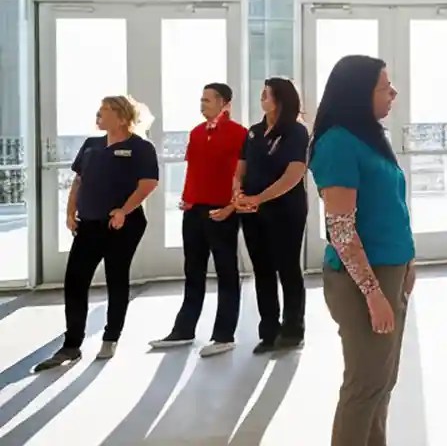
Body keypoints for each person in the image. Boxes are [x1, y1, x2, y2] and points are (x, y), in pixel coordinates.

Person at [309, 55, 416, 446]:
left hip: (389, 269)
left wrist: (409, 260)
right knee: (364, 385)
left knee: (381, 383)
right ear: (359, 93)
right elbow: (341, 230)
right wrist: (373, 293)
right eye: (384, 86)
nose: (393, 92)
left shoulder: (370, 136)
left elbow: (390, 207)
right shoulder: (337, 143)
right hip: (360, 279)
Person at [35, 96, 159, 371]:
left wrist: (123, 211)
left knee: (116, 277)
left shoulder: (140, 147)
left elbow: (148, 184)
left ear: (121, 116)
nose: (98, 115)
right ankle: (72, 344)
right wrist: (69, 213)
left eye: (104, 111)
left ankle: (111, 336)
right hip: (88, 224)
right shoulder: (91, 145)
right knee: (75, 280)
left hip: (123, 223)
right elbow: (78, 181)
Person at [149, 83, 248, 357]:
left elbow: (242, 175)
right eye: (201, 99)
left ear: (224, 103)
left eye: (207, 100)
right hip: (194, 211)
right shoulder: (195, 132)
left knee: (227, 271)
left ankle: (224, 334)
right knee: (193, 270)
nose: (202, 104)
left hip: (222, 211)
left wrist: (232, 206)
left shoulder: (239, 134)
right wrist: (187, 198)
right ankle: (183, 330)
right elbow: (193, 169)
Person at [236, 77, 310, 354]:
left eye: (266, 94)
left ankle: (293, 330)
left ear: (280, 99)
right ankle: (268, 330)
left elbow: (293, 174)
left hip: (285, 211)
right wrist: (238, 192)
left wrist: (259, 198)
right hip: (252, 212)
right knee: (262, 270)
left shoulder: (296, 132)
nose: (261, 99)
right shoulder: (254, 132)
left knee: (287, 268)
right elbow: (241, 166)